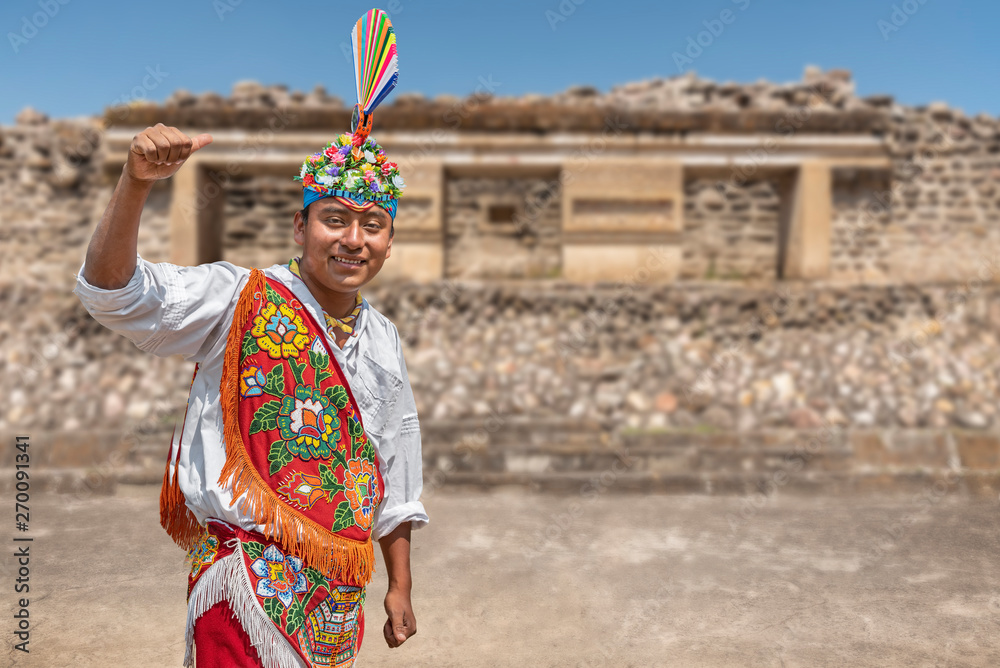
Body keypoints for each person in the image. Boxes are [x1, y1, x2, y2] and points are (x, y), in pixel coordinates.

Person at [73, 120, 427, 667]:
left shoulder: (383, 337)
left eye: (373, 225)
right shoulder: (238, 298)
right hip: (245, 588)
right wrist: (136, 183)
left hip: (336, 598)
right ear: (299, 226)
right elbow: (115, 294)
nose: (353, 240)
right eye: (334, 220)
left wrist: (399, 584)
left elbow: (394, 465)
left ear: (389, 242)